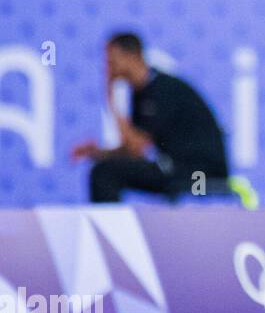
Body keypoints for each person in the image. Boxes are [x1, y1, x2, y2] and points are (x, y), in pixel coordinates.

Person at [71, 32, 230, 203]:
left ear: (132, 56)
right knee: (105, 169)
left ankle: (110, 228)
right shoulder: (142, 93)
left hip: (199, 173)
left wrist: (111, 100)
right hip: (178, 168)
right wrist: (98, 153)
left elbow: (136, 149)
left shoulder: (163, 89)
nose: (108, 68)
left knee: (105, 173)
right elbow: (132, 150)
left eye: (112, 61)